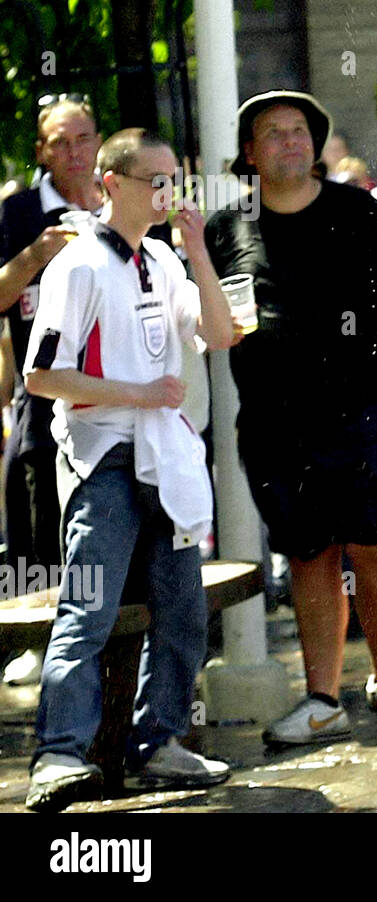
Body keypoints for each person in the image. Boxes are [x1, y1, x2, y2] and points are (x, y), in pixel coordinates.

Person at [205, 90, 377, 747]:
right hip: (275, 426)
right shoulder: (227, 228)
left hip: (362, 415)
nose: (291, 141)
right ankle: (320, 697)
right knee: (310, 558)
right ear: (250, 154)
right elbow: (218, 323)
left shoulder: (360, 213)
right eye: (274, 133)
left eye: (300, 131)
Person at [23, 129, 233, 812]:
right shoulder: (79, 266)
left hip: (162, 458)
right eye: (155, 181)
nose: (168, 194)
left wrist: (199, 252)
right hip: (104, 455)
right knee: (88, 608)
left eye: (175, 181)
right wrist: (137, 394)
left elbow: (222, 334)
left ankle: (159, 740)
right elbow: (40, 374)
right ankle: (58, 752)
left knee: (183, 609)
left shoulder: (165, 259)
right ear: (113, 183)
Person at [0, 96, 104, 686]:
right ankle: (42, 642)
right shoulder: (18, 212)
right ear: (42, 151)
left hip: (116, 394)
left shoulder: (123, 203)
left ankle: (118, 640)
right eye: (59, 142)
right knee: (43, 515)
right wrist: (35, 255)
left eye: (82, 139)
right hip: (44, 400)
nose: (73, 152)